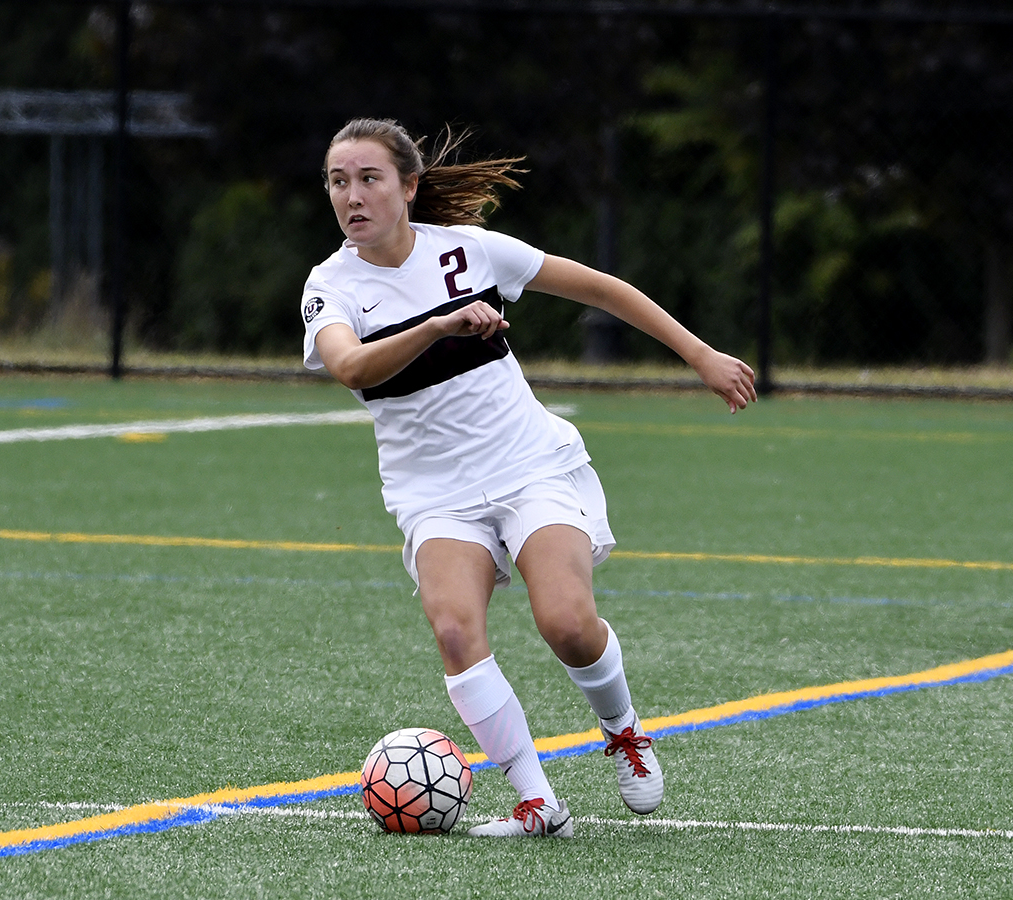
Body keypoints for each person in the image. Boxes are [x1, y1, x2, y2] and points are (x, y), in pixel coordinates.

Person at [301, 118, 755, 838]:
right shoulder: (331, 285)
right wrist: (439, 326)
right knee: (455, 632)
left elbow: (600, 288)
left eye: (368, 178)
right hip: (435, 495)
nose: (351, 196)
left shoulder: (470, 250)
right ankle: (539, 802)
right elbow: (350, 366)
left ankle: (624, 731)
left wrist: (700, 354)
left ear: (409, 187)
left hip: (528, 466)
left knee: (568, 625)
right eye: (337, 181)